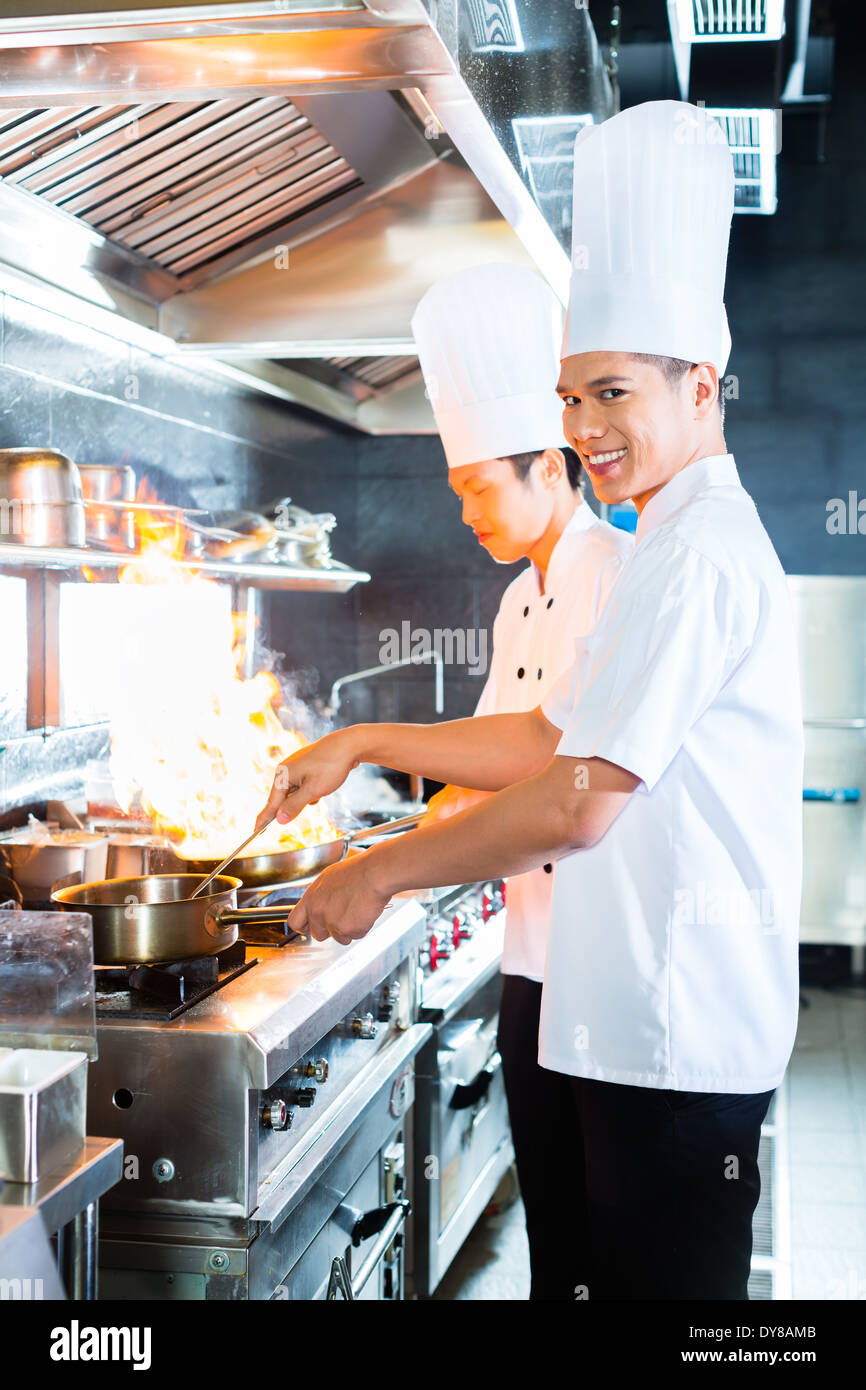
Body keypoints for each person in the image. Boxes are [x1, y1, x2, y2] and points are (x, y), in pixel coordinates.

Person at [258, 101, 803, 1300]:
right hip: (628, 1019)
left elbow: (574, 800)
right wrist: (359, 742)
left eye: (609, 393)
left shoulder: (694, 550)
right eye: (569, 399)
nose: (585, 430)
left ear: (698, 382)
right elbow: (559, 738)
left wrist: (381, 868)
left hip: (675, 1034)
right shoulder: (666, 538)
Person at [411, 262, 633, 1299]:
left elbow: (549, 766)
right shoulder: (515, 599)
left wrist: (376, 775)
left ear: (550, 466)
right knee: (552, 1224)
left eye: (475, 489)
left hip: (603, 966)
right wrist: (378, 851)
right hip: (529, 958)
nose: (466, 515)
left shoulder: (608, 574)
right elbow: (493, 764)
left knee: (595, 1237)